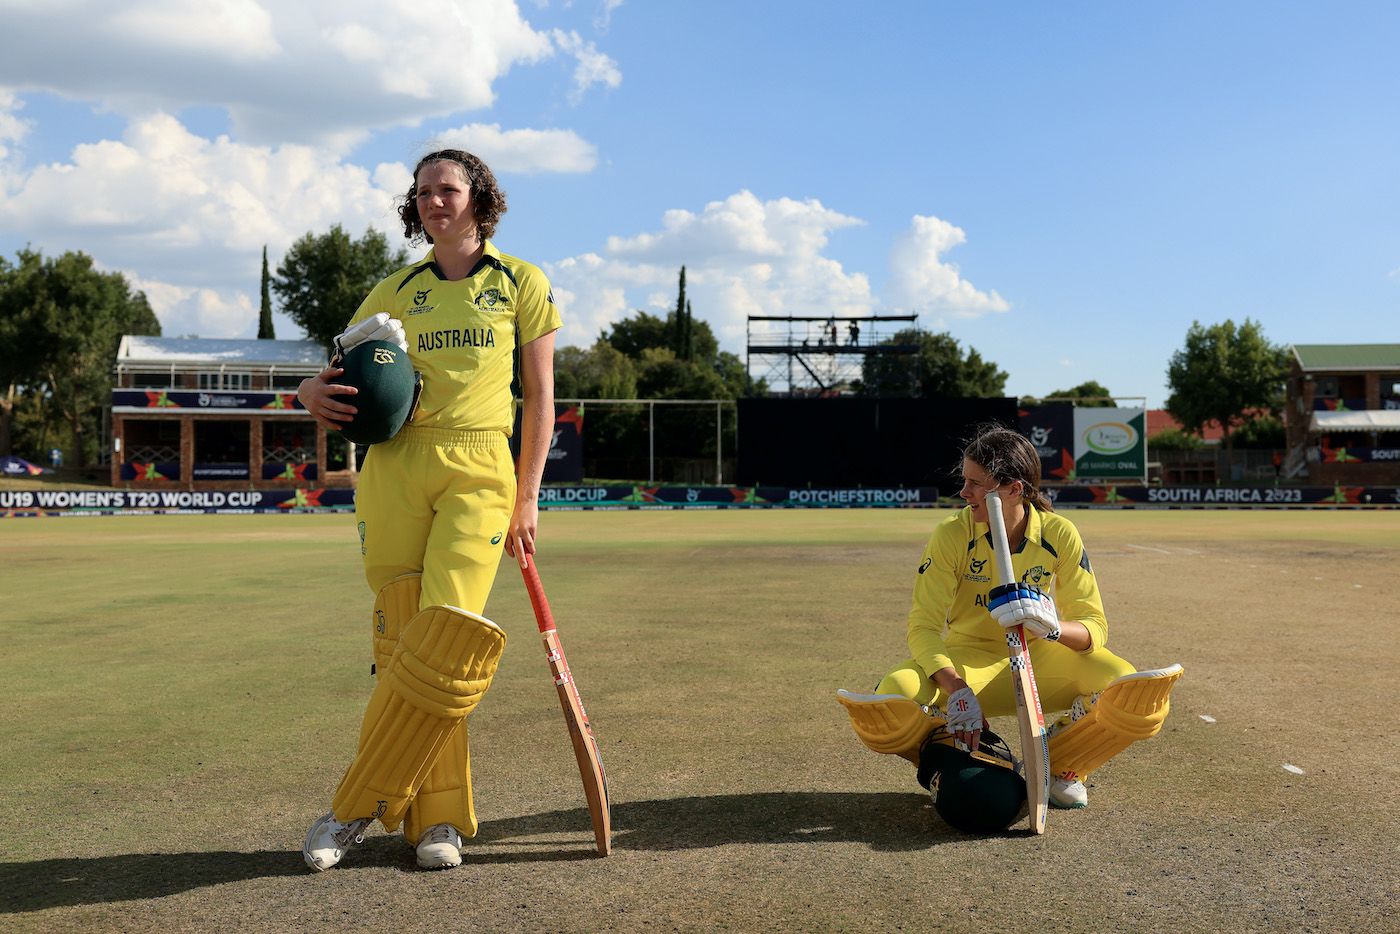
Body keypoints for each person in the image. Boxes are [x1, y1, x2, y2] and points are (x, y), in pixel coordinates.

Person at [296, 149, 560, 871]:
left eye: (448, 189)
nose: (434, 202)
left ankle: (355, 811)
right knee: (401, 650)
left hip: (480, 467)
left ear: (481, 198)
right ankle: (431, 821)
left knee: (445, 647)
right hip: (394, 469)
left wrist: (527, 494)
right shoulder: (394, 288)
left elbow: (540, 398)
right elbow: (335, 374)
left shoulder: (520, 283)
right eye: (422, 193)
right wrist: (306, 396)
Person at [838, 425, 1182, 831]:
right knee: (887, 705)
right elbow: (923, 628)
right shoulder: (953, 534)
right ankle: (955, 750)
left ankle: (1061, 762)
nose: (963, 493)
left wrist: (1051, 628)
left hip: (1039, 662)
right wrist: (955, 688)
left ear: (1014, 489)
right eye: (963, 480)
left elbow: (1095, 628)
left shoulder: (1058, 533)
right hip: (969, 665)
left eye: (975, 484)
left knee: (1133, 695)